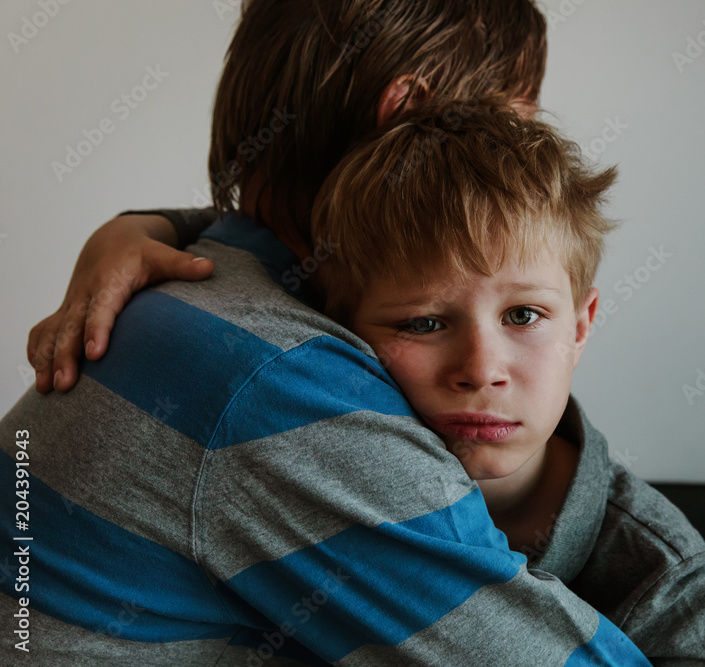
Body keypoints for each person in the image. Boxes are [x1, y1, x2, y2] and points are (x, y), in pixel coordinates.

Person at [1, 1, 656, 665]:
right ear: (406, 115)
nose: (521, 172)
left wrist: (147, 223)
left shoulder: (205, 294)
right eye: (514, 126)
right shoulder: (291, 382)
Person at [306, 99, 705, 662]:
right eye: (423, 323)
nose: (480, 369)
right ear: (342, 331)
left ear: (581, 325)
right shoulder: (315, 496)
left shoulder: (667, 583)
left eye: (523, 316)